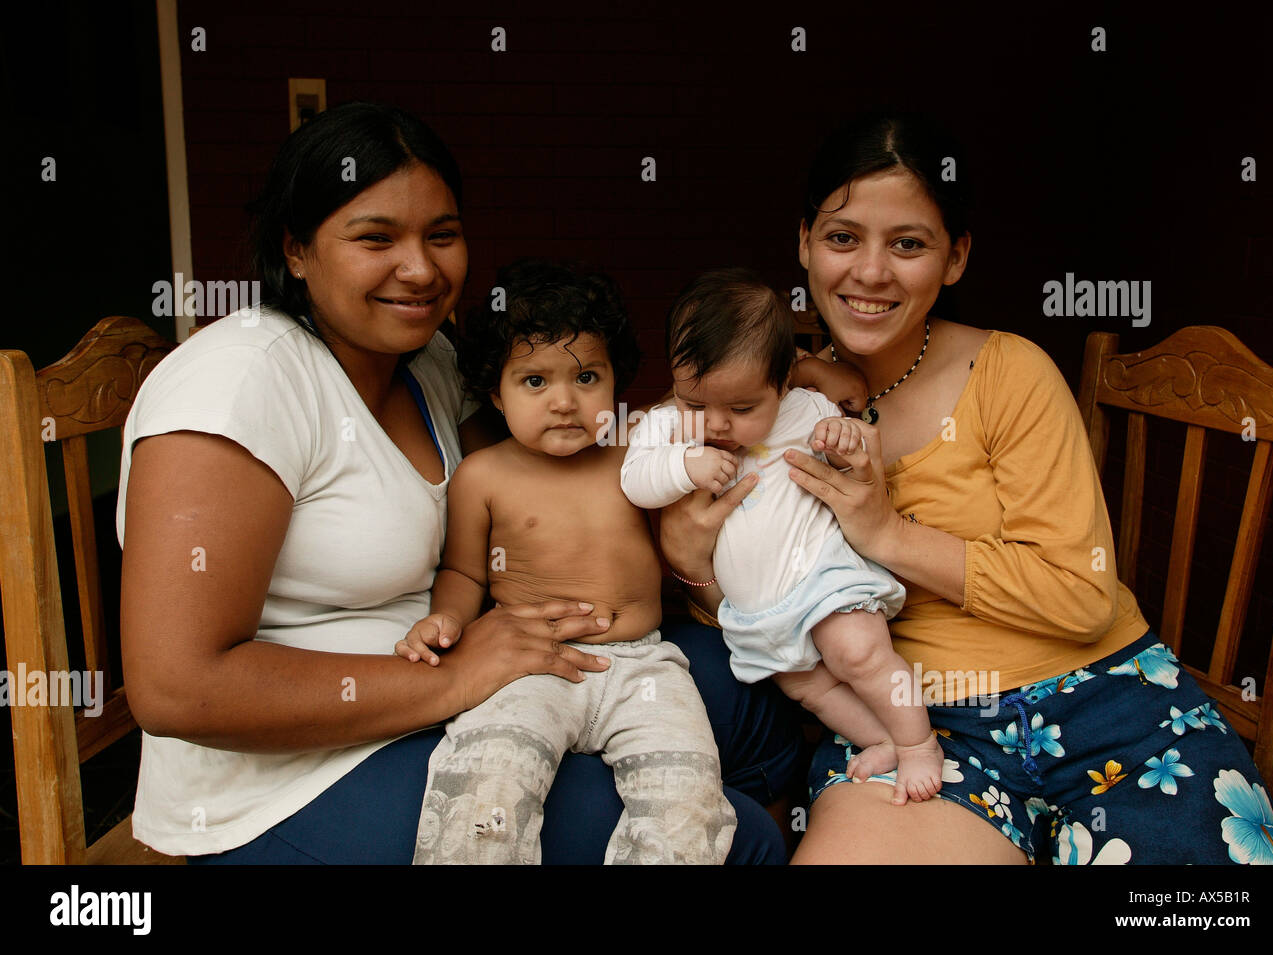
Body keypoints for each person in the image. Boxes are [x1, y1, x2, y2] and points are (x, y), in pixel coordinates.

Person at [115, 102, 795, 864]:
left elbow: (547, 488)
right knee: (741, 840)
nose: (420, 268)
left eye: (441, 234)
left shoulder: (429, 360)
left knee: (756, 704)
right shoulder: (240, 382)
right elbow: (177, 687)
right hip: (292, 775)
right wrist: (460, 676)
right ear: (296, 249)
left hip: (461, 682)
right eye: (376, 237)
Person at [656, 112, 1273, 864]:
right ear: (803, 243)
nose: (870, 271)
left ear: (955, 257)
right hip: (918, 724)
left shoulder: (1010, 372)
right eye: (842, 237)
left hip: (1106, 702)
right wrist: (690, 556)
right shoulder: (762, 403)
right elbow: (756, 608)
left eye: (909, 243)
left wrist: (889, 534)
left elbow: (1082, 595)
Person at [394, 258, 736, 864]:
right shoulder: (484, 475)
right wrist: (446, 621)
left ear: (615, 382)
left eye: (586, 378)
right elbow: (465, 572)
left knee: (688, 795)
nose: (563, 401)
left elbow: (707, 397)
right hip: (531, 665)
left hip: (644, 668)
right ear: (494, 394)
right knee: (487, 781)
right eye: (534, 382)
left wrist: (811, 370)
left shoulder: (635, 457)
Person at [621, 269, 945, 804]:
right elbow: (635, 481)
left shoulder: (806, 410)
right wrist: (684, 464)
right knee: (808, 689)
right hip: (757, 610)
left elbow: (852, 434)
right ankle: (880, 738)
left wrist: (839, 437)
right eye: (697, 404)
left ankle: (917, 744)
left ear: (782, 383)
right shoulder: (667, 426)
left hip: (823, 576)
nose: (717, 424)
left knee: (858, 655)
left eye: (743, 409)